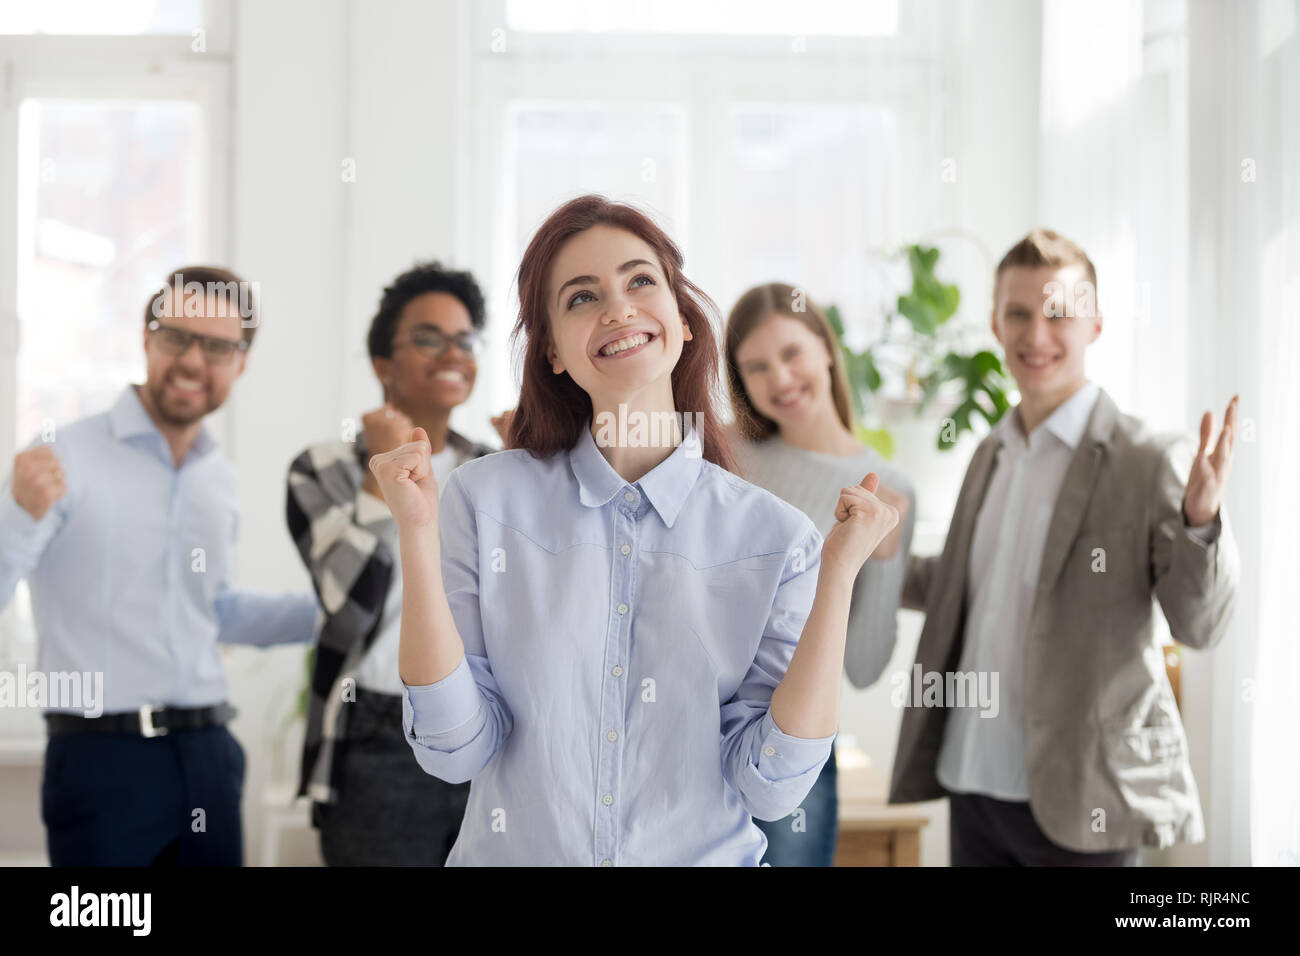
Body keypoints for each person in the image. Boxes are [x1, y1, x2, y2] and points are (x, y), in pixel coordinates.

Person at [366, 194, 900, 865]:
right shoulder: (484, 497)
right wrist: (416, 536)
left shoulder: (777, 537)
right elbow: (455, 748)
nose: (618, 308)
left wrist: (839, 575)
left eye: (640, 281)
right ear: (553, 351)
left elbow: (771, 786)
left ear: (680, 319)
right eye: (581, 297)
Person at [888, 229, 1240, 865]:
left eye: (1058, 313)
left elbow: (1201, 624)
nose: (1035, 335)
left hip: (1085, 800)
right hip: (973, 781)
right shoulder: (989, 454)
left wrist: (1202, 520)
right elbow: (968, 583)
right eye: (1018, 314)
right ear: (995, 324)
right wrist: (870, 555)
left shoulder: (1145, 459)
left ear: (1096, 324)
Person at [0, 266, 317, 866]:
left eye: (218, 346)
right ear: (147, 338)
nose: (194, 360)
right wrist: (16, 517)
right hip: (101, 761)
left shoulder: (216, 478)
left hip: (209, 756)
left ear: (241, 363)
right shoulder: (60, 457)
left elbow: (215, 611)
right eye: (177, 336)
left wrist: (336, 614)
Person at [286, 262, 498, 865]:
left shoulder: (496, 470)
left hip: (485, 727)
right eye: (428, 338)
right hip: (376, 734)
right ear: (383, 365)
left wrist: (536, 464)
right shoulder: (322, 468)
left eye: (464, 339)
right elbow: (349, 604)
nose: (451, 352)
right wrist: (383, 481)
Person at [725, 281, 916, 866]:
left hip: (794, 738)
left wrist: (874, 564)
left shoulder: (889, 491)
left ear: (826, 350)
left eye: (790, 354)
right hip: (689, 720)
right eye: (756, 367)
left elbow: (861, 667)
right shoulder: (722, 456)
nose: (779, 379)